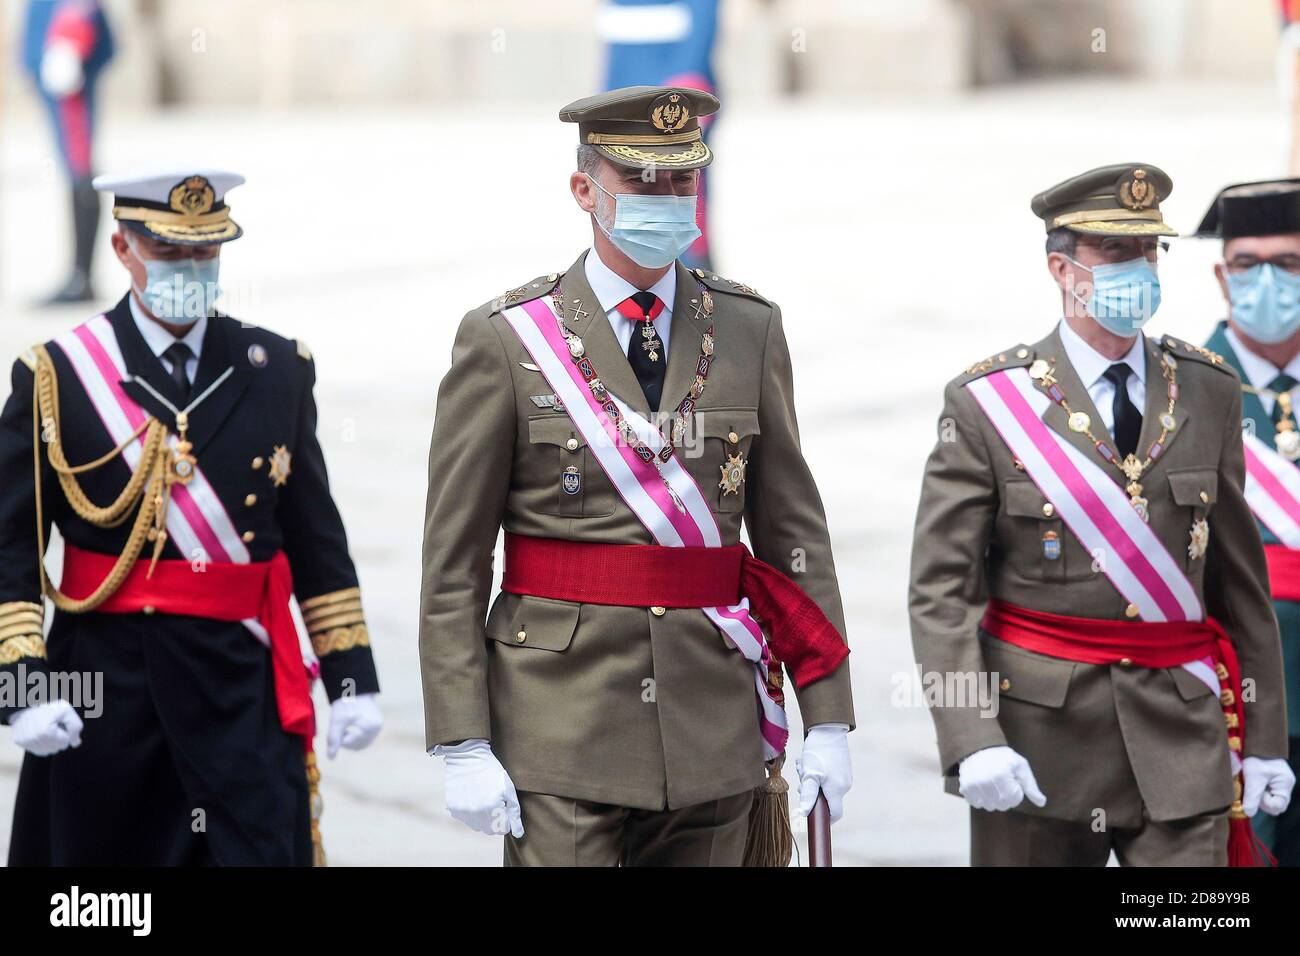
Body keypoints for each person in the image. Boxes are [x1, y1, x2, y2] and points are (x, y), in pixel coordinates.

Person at [419, 86, 854, 866]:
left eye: (681, 181)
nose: (667, 200)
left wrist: (828, 715)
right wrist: (461, 738)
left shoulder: (750, 328)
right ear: (584, 189)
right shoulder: (506, 340)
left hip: (711, 718)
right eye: (642, 181)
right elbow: (453, 563)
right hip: (561, 721)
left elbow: (794, 536)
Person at [908, 163, 1295, 865]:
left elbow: (1240, 588)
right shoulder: (989, 403)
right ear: (1061, 267)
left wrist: (1265, 738)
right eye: (1115, 252)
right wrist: (972, 737)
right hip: (1035, 749)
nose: (1137, 268)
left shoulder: (1208, 388)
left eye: (1149, 251)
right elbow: (943, 595)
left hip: (1183, 739)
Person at [0, 170, 383, 865]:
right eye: (171, 254)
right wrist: (22, 690)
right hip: (102, 691)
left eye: (206, 255)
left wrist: (351, 675)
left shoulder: (276, 369)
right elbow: (10, 551)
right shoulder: (58, 376)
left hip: (240, 681)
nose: (191, 270)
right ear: (122, 247)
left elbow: (315, 538)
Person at [1194, 178, 1300, 865]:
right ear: (1220, 276)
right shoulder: (1182, 387)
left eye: (1287, 264)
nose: (1265, 282)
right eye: (1246, 264)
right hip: (1235, 702)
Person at [598, 0, 719, 271]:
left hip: (671, 78)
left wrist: (691, 77)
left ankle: (693, 284)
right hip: (624, 79)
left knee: (677, 191)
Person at [21, 0, 114, 305]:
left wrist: (70, 41)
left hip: (65, 55)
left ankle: (81, 277)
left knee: (79, 167)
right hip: (56, 51)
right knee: (74, 166)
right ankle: (79, 274)